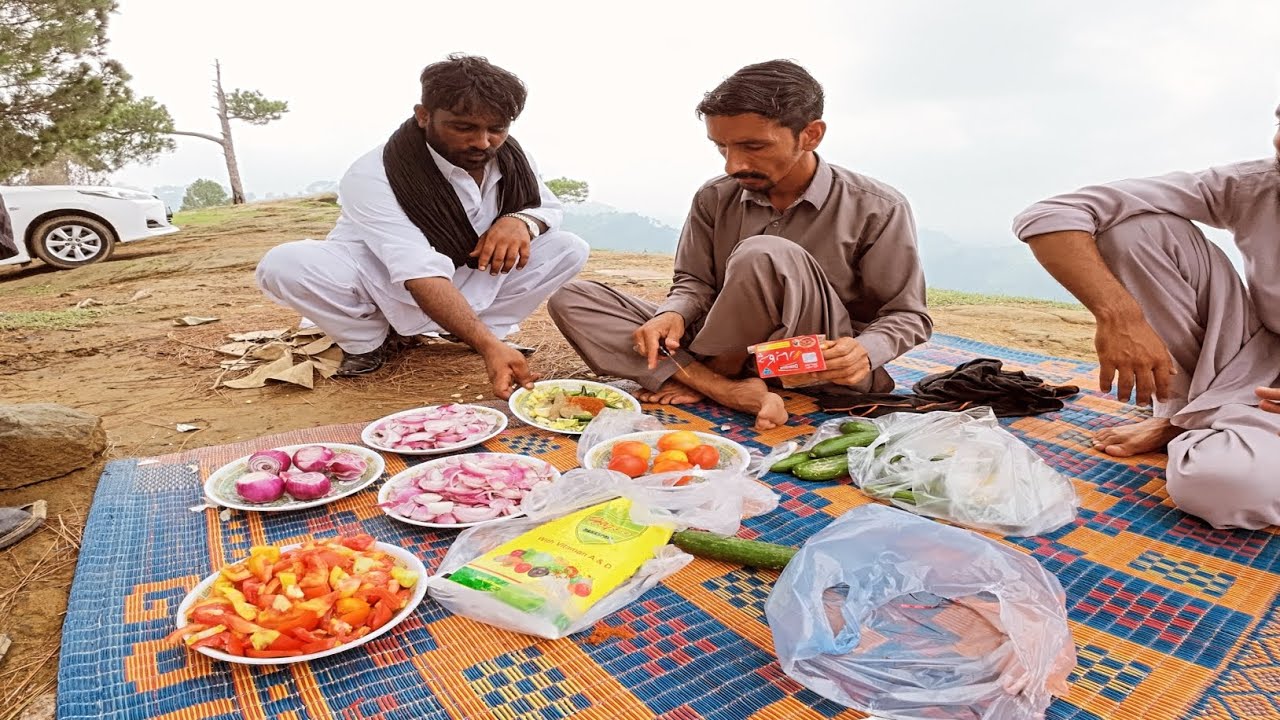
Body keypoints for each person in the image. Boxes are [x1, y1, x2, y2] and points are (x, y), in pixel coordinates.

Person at [548, 60, 932, 430]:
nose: (733, 165)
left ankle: (698, 377)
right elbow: (694, 283)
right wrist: (675, 314)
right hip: (721, 349)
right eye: (721, 147)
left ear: (811, 135)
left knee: (763, 252)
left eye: (754, 146)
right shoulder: (715, 197)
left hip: (807, 365)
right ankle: (726, 388)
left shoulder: (877, 207)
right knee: (573, 297)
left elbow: (908, 315)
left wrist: (865, 352)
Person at [1012, 103, 1280, 530]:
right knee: (1133, 229)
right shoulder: (1257, 184)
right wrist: (1120, 316)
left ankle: (1214, 422)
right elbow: (1051, 215)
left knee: (1217, 484)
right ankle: (1185, 414)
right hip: (1260, 354)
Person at [256, 54, 588, 397]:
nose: (482, 142)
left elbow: (545, 206)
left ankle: (475, 330)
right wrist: (489, 348)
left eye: (496, 129)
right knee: (284, 264)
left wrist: (519, 220)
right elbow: (418, 270)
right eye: (464, 127)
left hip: (463, 271)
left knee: (568, 248)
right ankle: (368, 341)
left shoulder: (511, 158)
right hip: (381, 276)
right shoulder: (372, 174)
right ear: (424, 115)